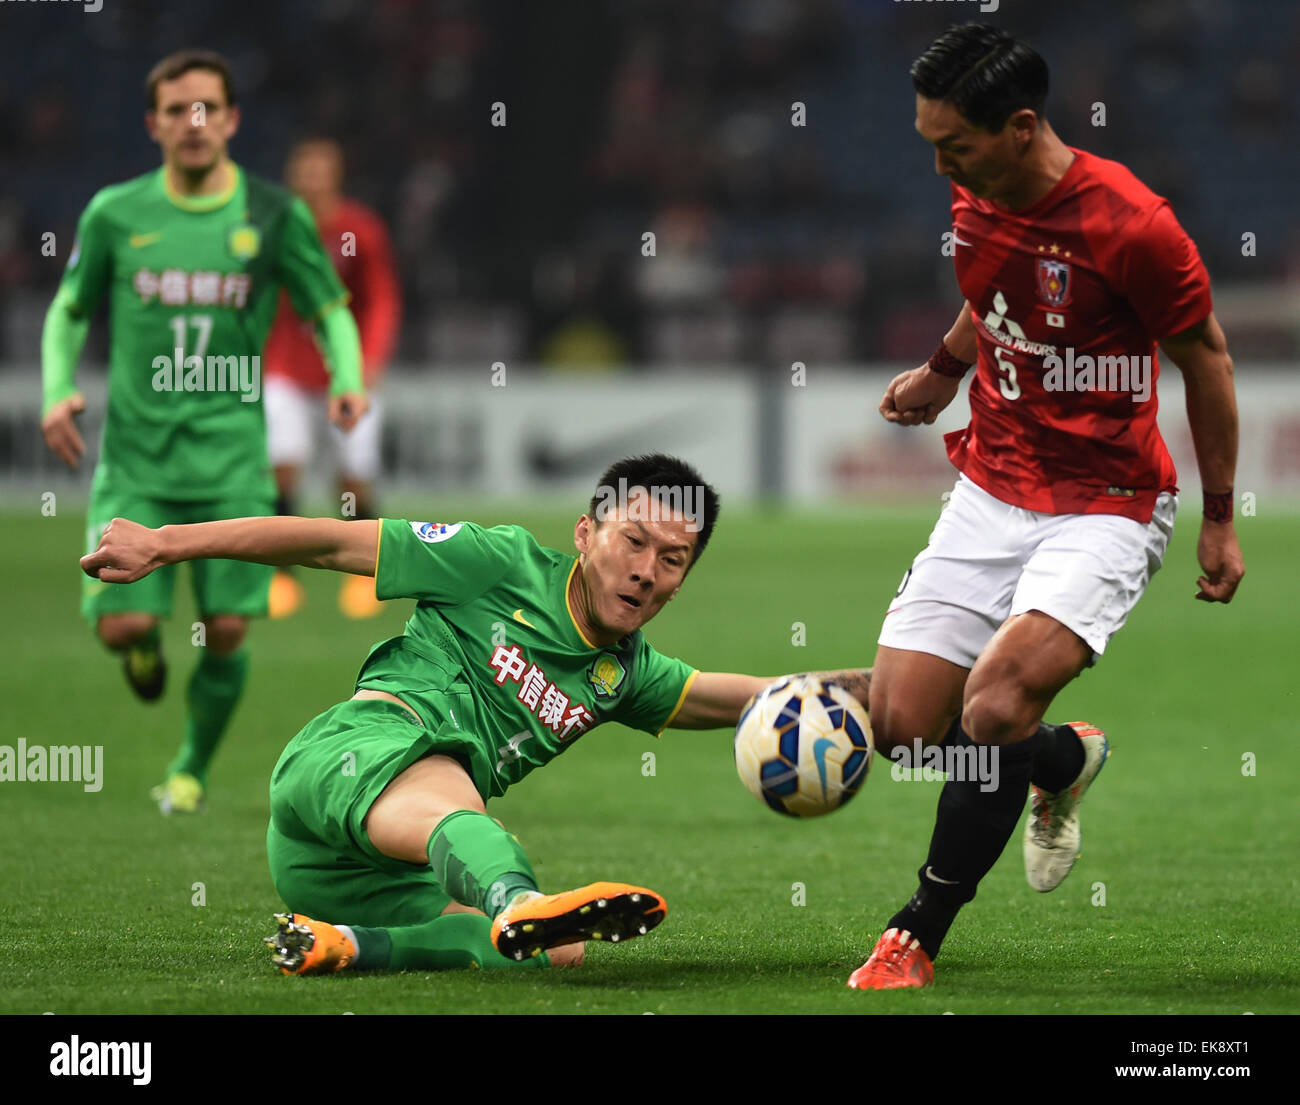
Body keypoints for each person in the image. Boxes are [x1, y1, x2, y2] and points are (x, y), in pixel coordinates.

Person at [81, 454, 874, 972]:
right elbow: (327, 542)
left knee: (554, 955)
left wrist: (891, 689)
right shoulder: (493, 560)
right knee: (464, 806)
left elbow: (752, 696)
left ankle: (344, 944)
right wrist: (167, 544)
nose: (645, 571)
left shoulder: (625, 673)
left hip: (355, 873)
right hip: (348, 757)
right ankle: (515, 896)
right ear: (586, 532)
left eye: (672, 561)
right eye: (633, 541)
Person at [851, 24, 1244, 990]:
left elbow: (1208, 359)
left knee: (988, 710)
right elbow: (996, 294)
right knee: (902, 725)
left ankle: (920, 927)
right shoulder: (976, 189)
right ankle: (1061, 759)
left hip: (1106, 502)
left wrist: (1222, 516)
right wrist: (943, 371)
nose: (940, 164)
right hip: (992, 482)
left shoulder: (1135, 227)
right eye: (931, 143)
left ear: (1021, 127)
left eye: (955, 146)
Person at [40, 49, 368, 816]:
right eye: (177, 109)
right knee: (121, 624)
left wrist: (347, 375)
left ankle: (189, 770)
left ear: (230, 120)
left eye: (208, 108)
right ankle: (145, 642)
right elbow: (69, 308)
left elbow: (327, 306)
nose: (194, 123)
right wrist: (57, 389)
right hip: (138, 462)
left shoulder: (271, 214)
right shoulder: (116, 213)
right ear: (153, 123)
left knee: (225, 626)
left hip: (229, 461)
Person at [262, 137, 402, 621]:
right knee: (282, 463)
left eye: (320, 171)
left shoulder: (359, 229)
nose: (311, 180)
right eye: (304, 170)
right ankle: (280, 576)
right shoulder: (274, 229)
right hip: (285, 369)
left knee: (354, 477)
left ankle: (365, 576)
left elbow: (381, 298)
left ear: (337, 176)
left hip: (346, 375)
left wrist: (370, 360)